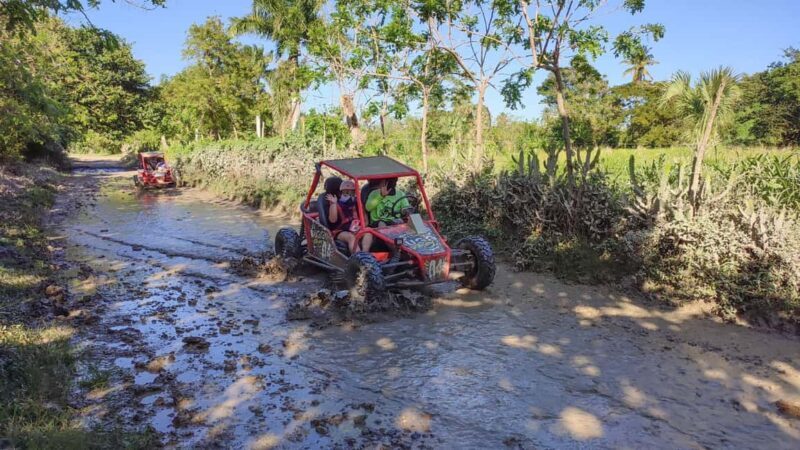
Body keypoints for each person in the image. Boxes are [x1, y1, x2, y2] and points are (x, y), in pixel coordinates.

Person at [327, 180, 372, 253]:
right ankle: (358, 258)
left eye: (352, 193)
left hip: (357, 229)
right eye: (346, 193)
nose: (349, 196)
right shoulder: (336, 204)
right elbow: (332, 220)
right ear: (340, 194)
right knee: (351, 237)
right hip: (341, 231)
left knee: (368, 232)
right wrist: (333, 204)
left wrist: (360, 227)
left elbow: (365, 221)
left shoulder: (358, 204)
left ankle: (364, 255)